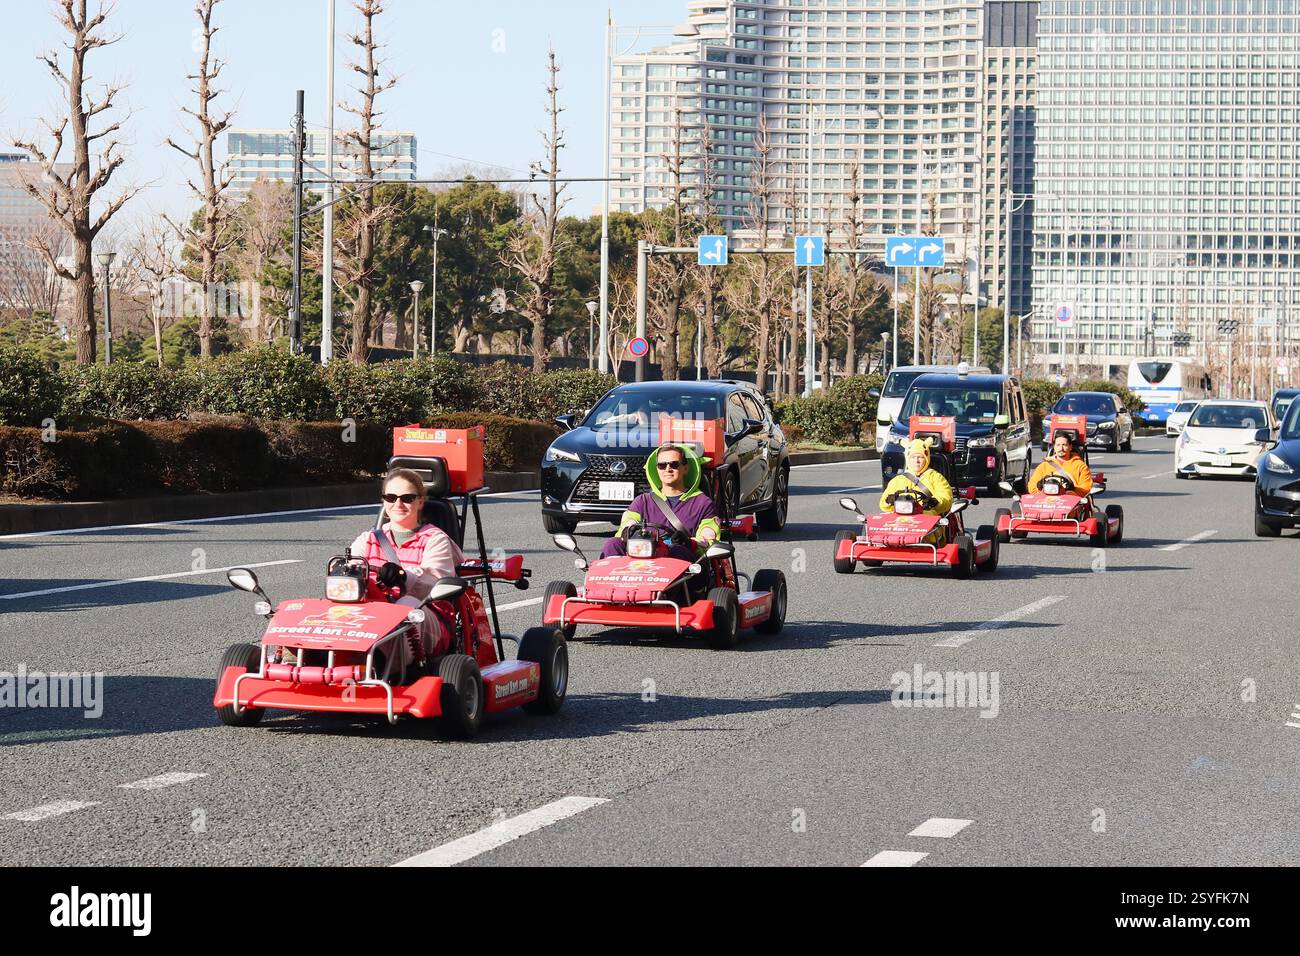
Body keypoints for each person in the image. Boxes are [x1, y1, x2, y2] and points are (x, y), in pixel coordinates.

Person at [347, 467, 465, 680]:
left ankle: (381, 671)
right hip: (372, 614)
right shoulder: (368, 539)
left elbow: (434, 581)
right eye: (391, 497)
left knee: (406, 606)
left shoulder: (435, 539)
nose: (398, 504)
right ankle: (309, 658)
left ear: (420, 501)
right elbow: (350, 569)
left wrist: (403, 576)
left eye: (407, 498)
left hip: (425, 616)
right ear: (384, 501)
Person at [601, 443, 722, 562]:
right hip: (643, 559)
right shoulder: (642, 501)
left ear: (685, 468)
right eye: (662, 465)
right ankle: (609, 580)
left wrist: (690, 542)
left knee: (678, 551)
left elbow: (708, 538)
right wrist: (627, 531)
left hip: (687, 568)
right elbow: (628, 522)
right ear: (656, 470)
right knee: (613, 544)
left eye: (674, 464)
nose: (668, 469)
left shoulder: (703, 503)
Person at [879, 438, 953, 517]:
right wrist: (888, 501)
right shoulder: (898, 480)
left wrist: (934, 502)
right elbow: (883, 505)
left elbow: (947, 500)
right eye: (913, 457)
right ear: (908, 459)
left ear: (926, 458)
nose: (916, 461)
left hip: (928, 520)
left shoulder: (936, 478)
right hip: (901, 521)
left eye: (920, 457)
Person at [1029, 430, 1094, 496]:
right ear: (1054, 447)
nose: (1061, 448)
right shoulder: (1044, 466)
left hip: (1071, 502)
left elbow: (1085, 488)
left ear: (1070, 447)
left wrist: (1071, 493)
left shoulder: (1080, 466)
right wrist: (1042, 493)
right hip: (1047, 502)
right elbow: (1032, 486)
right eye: (1058, 445)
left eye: (1064, 445)